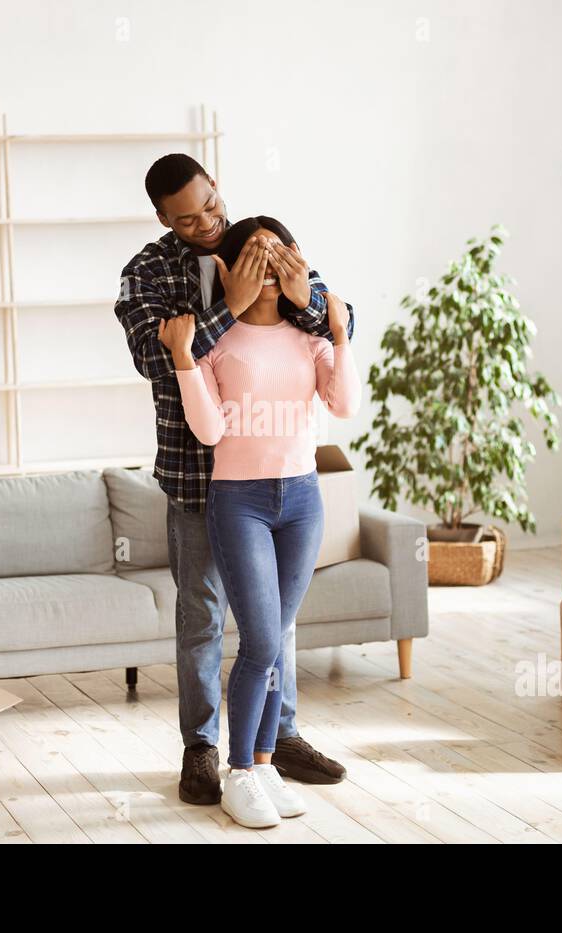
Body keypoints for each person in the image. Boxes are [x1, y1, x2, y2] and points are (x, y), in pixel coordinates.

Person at [113, 155, 353, 807]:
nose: (208, 223)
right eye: (188, 218)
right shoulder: (147, 273)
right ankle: (203, 748)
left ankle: (280, 736)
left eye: (212, 205)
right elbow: (159, 361)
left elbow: (339, 319)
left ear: (218, 188)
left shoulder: (259, 236)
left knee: (278, 618)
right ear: (163, 217)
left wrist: (304, 301)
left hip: (282, 472)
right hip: (198, 476)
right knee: (202, 613)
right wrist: (235, 306)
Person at [158, 216, 360, 827]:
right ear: (227, 269)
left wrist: (342, 337)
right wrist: (184, 359)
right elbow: (211, 430)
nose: (267, 271)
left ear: (297, 262)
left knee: (276, 641)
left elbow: (344, 405)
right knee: (263, 642)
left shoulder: (311, 337)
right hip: (238, 500)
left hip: (301, 500)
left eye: (278, 258)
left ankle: (265, 763)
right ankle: (238, 772)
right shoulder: (216, 341)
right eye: (253, 258)